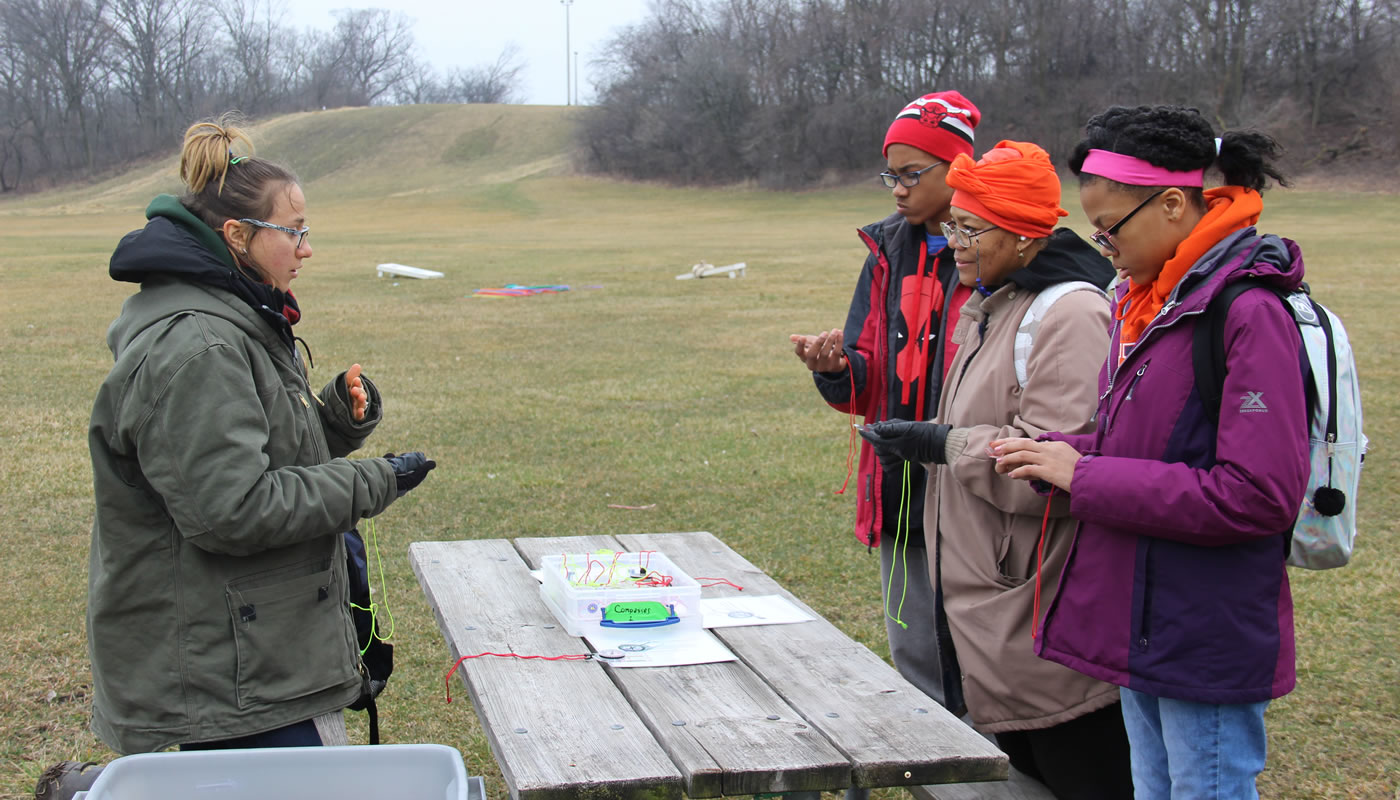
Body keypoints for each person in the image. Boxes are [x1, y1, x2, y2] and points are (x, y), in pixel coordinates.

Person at [83, 116, 437, 756]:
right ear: (237, 236)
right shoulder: (200, 346)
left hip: (253, 655)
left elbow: (244, 458)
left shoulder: (235, 314)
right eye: (294, 231)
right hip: (224, 678)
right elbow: (233, 510)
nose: (307, 249)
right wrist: (374, 480)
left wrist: (333, 421)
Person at [991, 105, 1309, 800]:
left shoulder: (1247, 312)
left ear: (1170, 204)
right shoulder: (1152, 301)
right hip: (1142, 623)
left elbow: (1257, 495)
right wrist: (1056, 455)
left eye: (1110, 228)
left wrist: (1086, 475)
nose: (1103, 246)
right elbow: (1146, 447)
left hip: (1203, 632)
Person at [857, 141, 1131, 799]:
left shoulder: (1070, 314)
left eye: (971, 229)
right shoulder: (997, 301)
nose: (953, 242)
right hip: (999, 611)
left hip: (1041, 613)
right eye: (953, 225)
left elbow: (1057, 467)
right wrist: (924, 440)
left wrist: (945, 445)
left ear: (1025, 234)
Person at [790, 90, 980, 712]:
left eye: (911, 173)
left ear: (958, 168)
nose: (897, 189)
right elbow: (867, 369)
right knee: (914, 649)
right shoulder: (885, 253)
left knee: (978, 652)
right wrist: (837, 368)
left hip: (972, 486)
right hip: (899, 485)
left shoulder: (992, 248)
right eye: (890, 175)